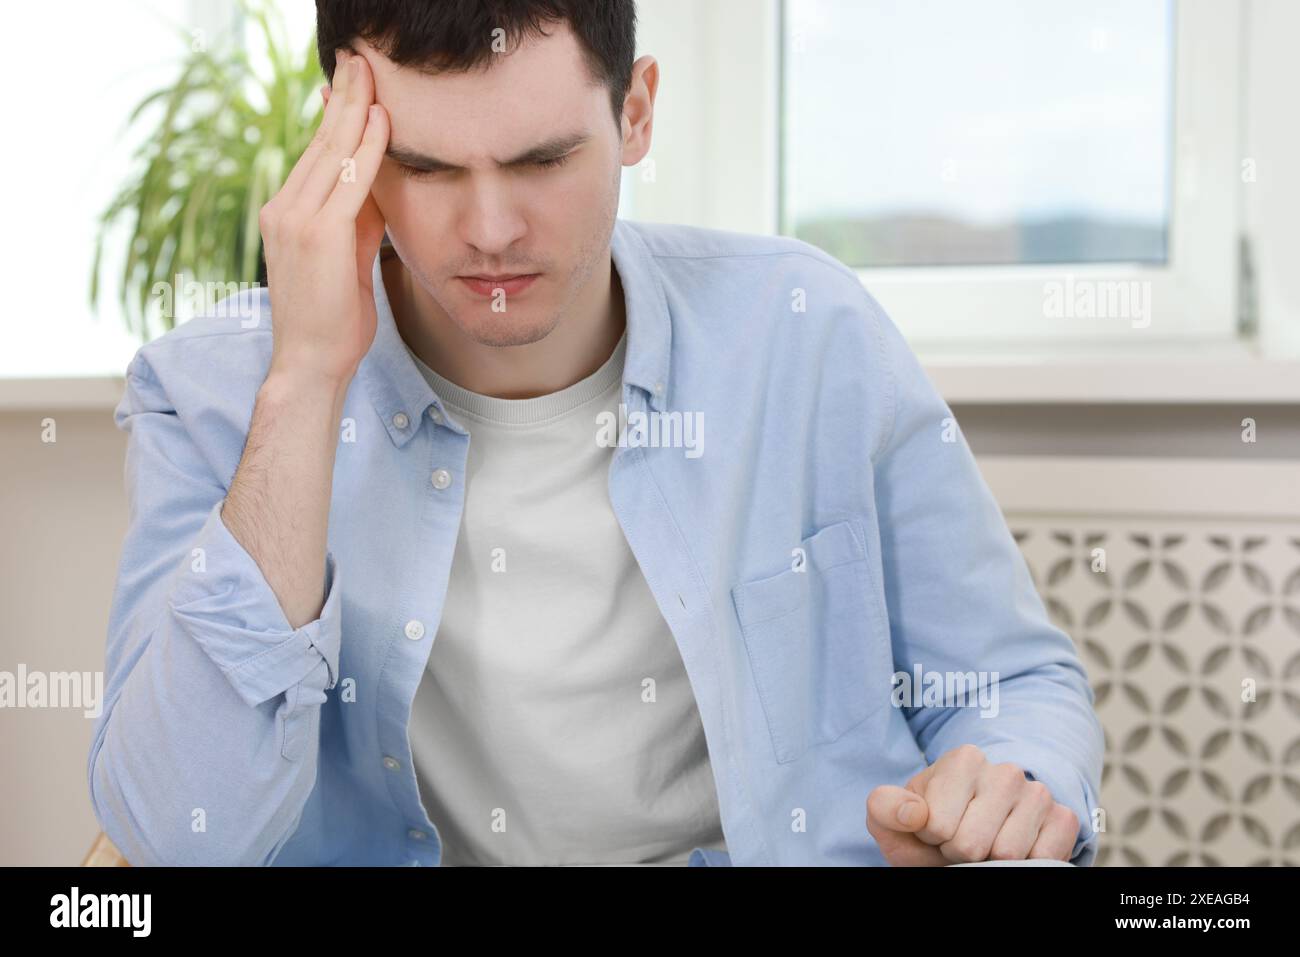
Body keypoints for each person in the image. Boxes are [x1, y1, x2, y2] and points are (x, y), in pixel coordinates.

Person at [88, 0, 1103, 867]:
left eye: (541, 159)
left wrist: (1010, 790)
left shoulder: (806, 331)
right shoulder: (217, 394)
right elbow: (180, 838)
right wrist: (307, 379)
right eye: (427, 167)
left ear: (636, 110)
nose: (489, 229)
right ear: (342, 148)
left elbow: (1012, 681)